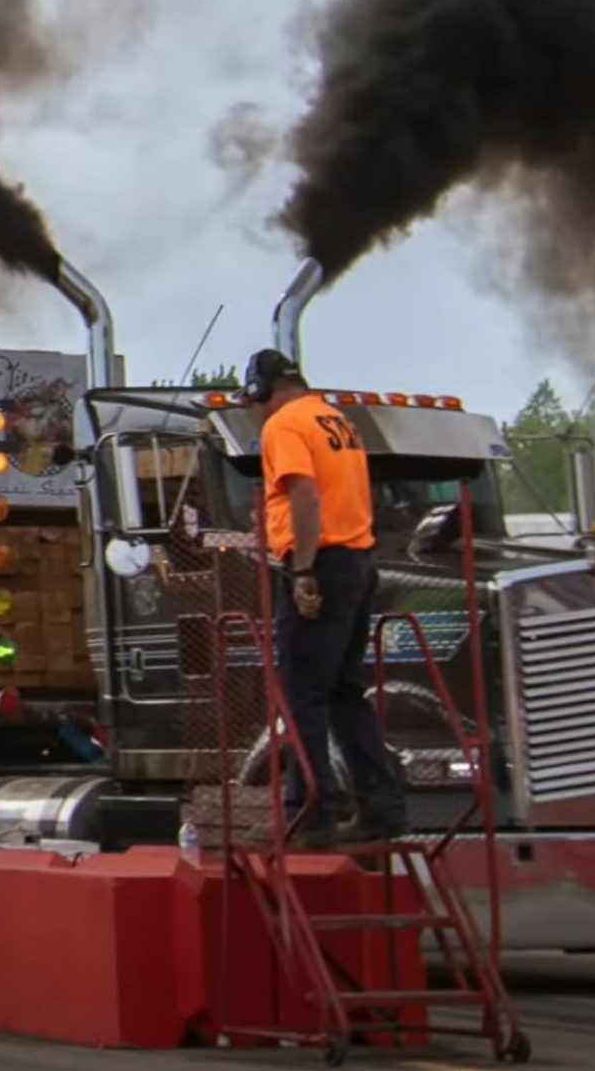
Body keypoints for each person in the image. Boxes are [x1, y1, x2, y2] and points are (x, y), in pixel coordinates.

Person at [241, 347, 406, 845]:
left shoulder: (284, 425)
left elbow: (306, 495)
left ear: (261, 392)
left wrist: (304, 570)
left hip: (322, 564)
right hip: (358, 561)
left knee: (302, 693)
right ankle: (382, 803)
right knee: (342, 691)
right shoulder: (336, 420)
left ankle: (310, 809)